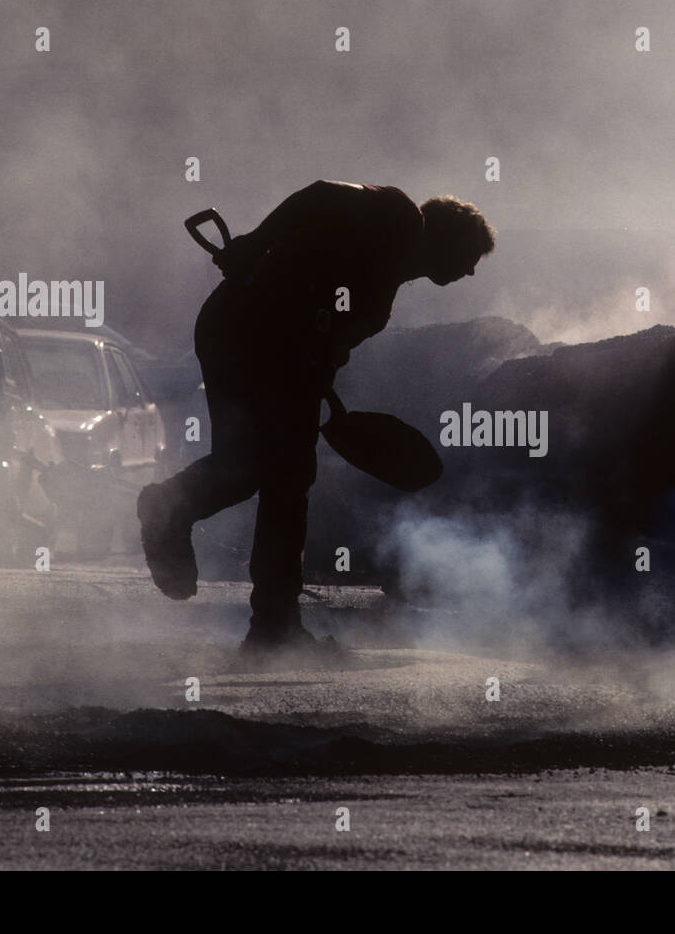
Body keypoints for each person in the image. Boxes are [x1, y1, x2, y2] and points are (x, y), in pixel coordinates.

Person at [137, 180, 495, 656]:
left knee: (254, 470)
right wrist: (255, 241)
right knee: (282, 478)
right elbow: (322, 193)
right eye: (472, 257)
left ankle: (185, 526)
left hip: (255, 343)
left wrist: (318, 379)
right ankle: (271, 622)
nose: (471, 273)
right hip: (245, 333)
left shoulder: (385, 284)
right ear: (450, 242)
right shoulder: (400, 216)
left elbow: (324, 332)